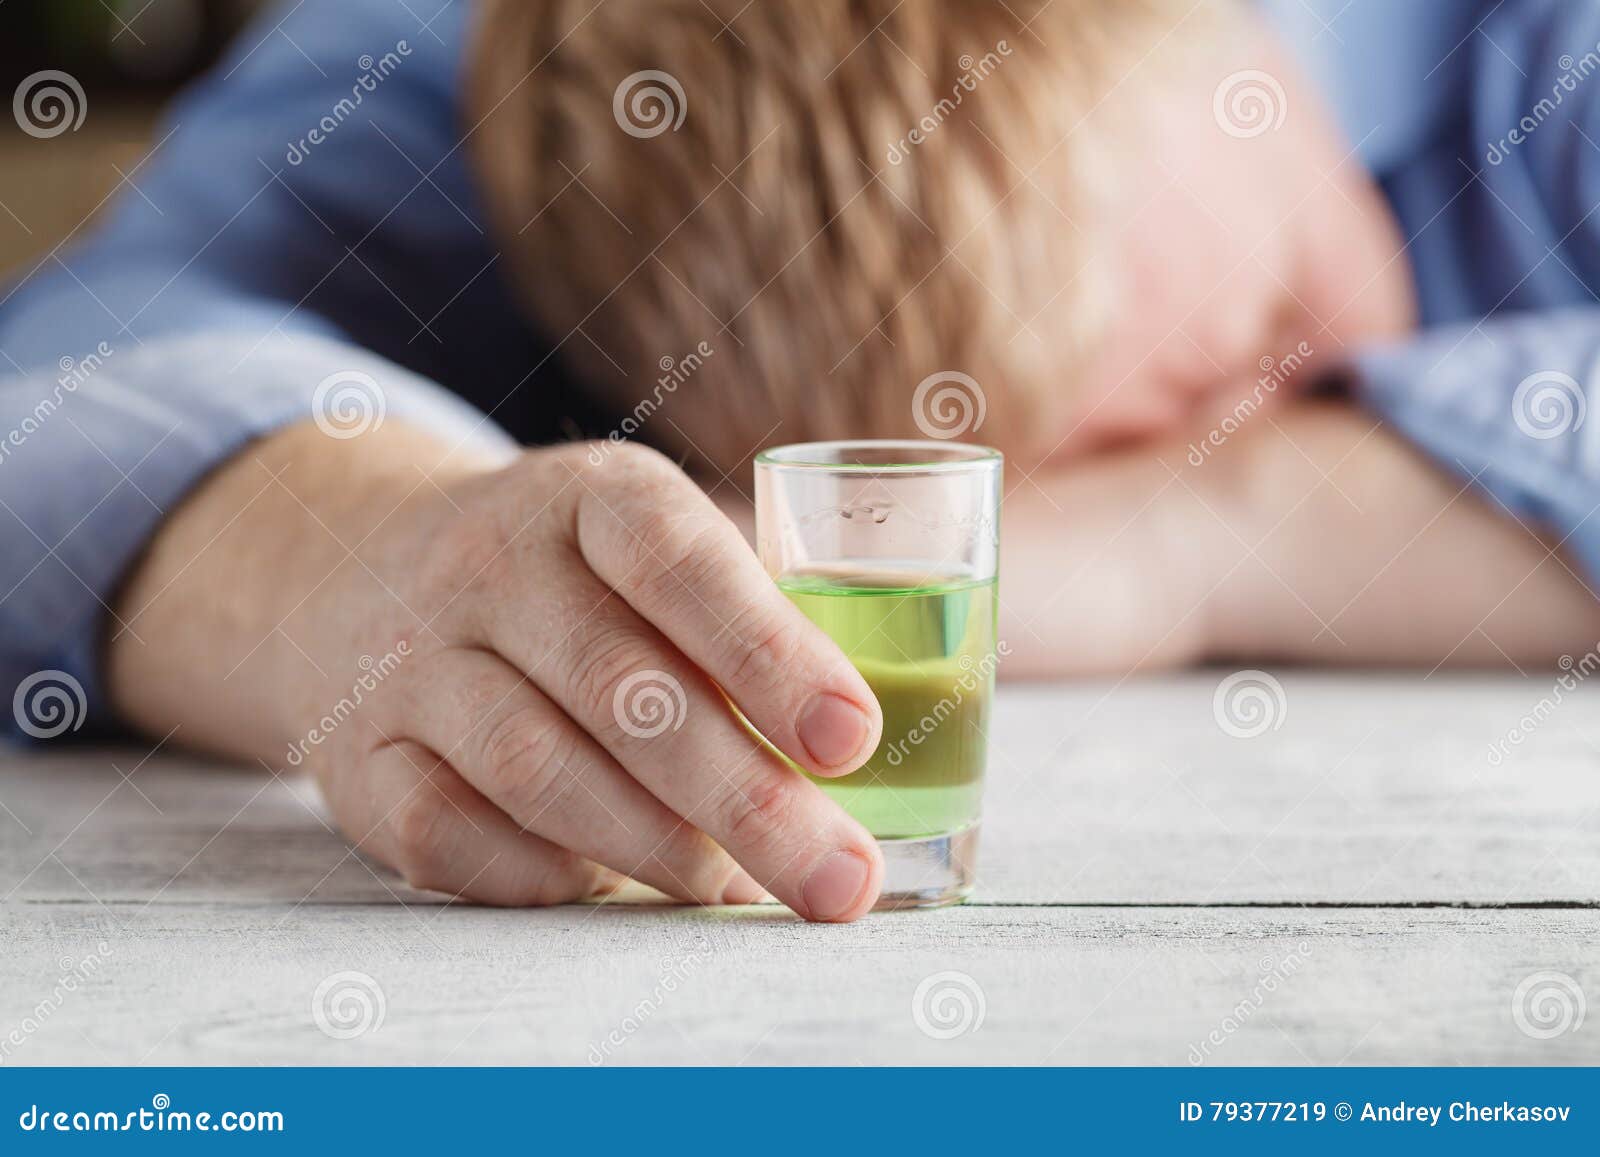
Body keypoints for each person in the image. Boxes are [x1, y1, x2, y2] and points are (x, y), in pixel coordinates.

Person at [2, 0, 1597, 921]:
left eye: (1285, 309)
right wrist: (350, 556)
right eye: (1092, 461)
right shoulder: (485, 76)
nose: (1284, 408)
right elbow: (62, 375)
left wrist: (1193, 535)